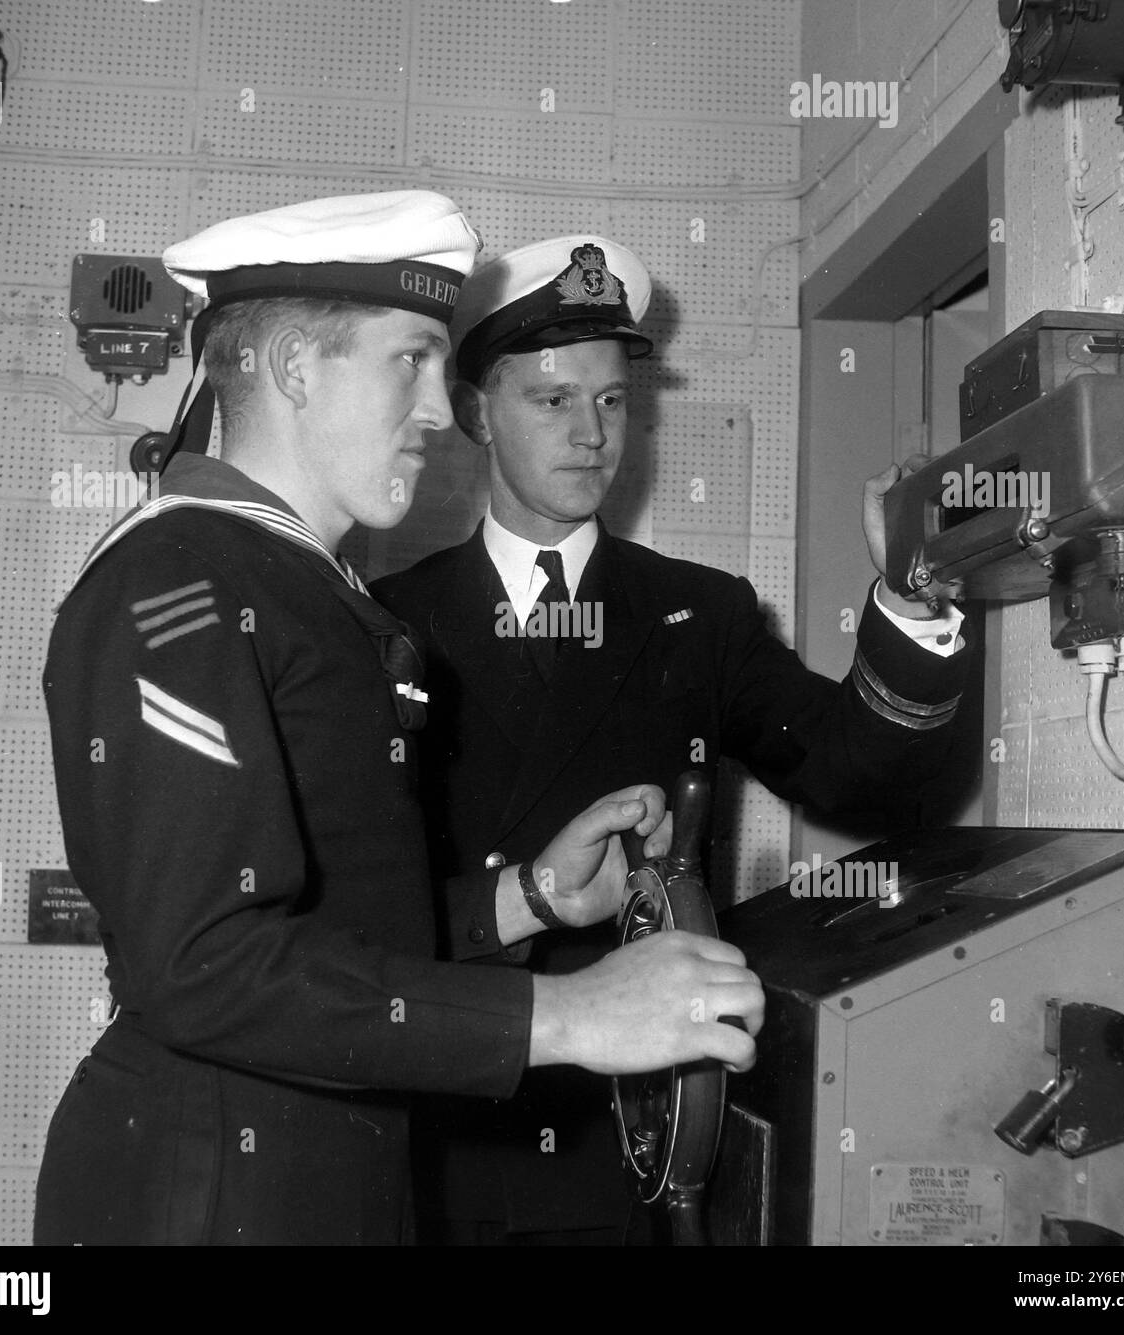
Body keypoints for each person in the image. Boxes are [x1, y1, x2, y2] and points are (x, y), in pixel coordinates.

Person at [33, 195, 765, 1247]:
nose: (437, 410)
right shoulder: (177, 580)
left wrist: (528, 900)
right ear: (293, 366)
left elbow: (341, 933)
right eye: (412, 360)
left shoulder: (294, 584)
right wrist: (566, 1017)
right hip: (209, 1191)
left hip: (318, 1170)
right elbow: (205, 965)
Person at [371, 234, 974, 1244]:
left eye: (612, 403)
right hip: (445, 1111)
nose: (591, 433)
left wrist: (909, 598)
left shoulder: (697, 614)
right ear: (476, 412)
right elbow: (350, 916)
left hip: (638, 1128)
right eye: (551, 400)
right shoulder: (386, 620)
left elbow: (859, 780)